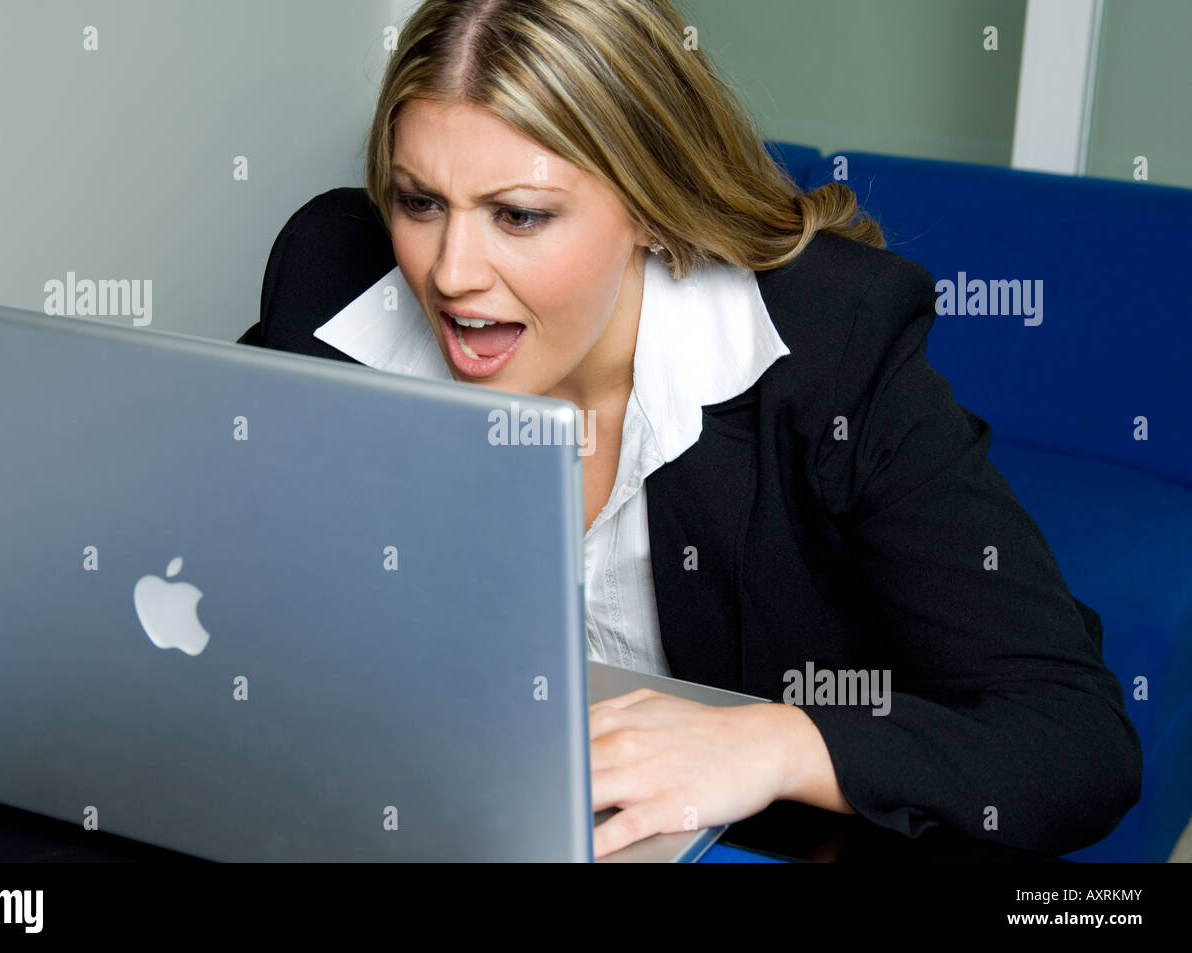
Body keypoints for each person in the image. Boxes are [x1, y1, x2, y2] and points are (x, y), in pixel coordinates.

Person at [237, 0, 1141, 859]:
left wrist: (777, 744)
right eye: (419, 202)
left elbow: (1076, 735)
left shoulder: (832, 349)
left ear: (645, 200)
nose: (449, 272)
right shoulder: (332, 280)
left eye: (520, 215)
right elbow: (215, 567)